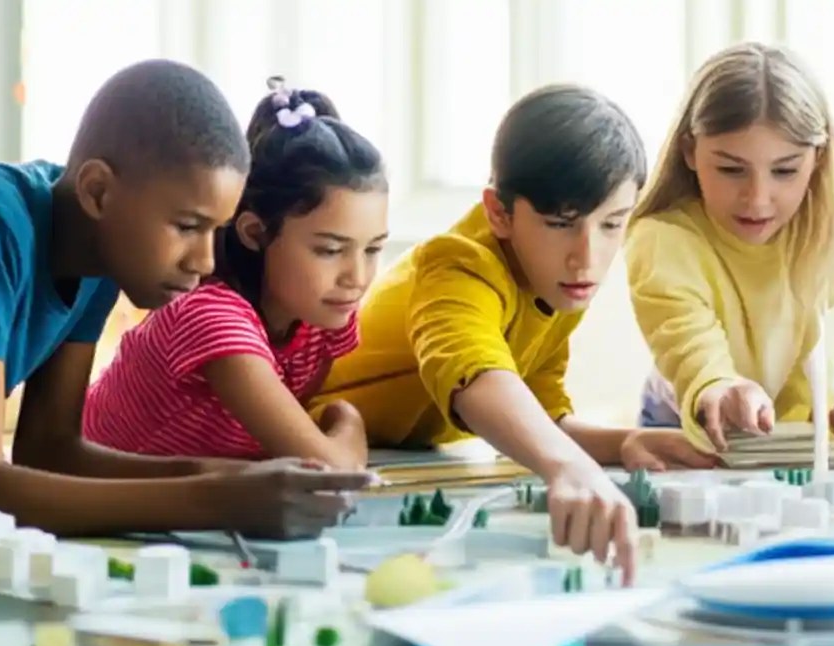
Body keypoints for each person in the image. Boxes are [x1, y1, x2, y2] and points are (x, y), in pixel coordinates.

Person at [0, 60, 369, 538]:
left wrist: (224, 478)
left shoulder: (97, 254)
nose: (205, 261)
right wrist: (214, 500)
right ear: (98, 191)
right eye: (187, 226)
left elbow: (50, 448)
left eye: (215, 231)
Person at [307, 85, 716, 585]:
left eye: (612, 223)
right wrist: (569, 467)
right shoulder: (456, 263)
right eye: (560, 223)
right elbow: (475, 374)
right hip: (310, 447)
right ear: (500, 213)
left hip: (392, 468)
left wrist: (624, 441)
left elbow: (540, 419)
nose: (586, 256)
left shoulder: (561, 281)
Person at [84, 79, 385, 471]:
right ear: (255, 233)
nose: (357, 277)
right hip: (98, 493)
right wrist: (347, 419)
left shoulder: (323, 317)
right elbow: (329, 469)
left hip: (196, 501)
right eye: (329, 250)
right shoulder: (211, 317)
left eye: (373, 248)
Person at [627, 42, 834, 452]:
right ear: (689, 151)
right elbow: (686, 340)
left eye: (785, 171)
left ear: (817, 159)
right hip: (685, 417)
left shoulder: (825, 227)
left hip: (785, 427)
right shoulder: (662, 238)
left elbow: (811, 361)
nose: (757, 198)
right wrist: (719, 385)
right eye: (731, 169)